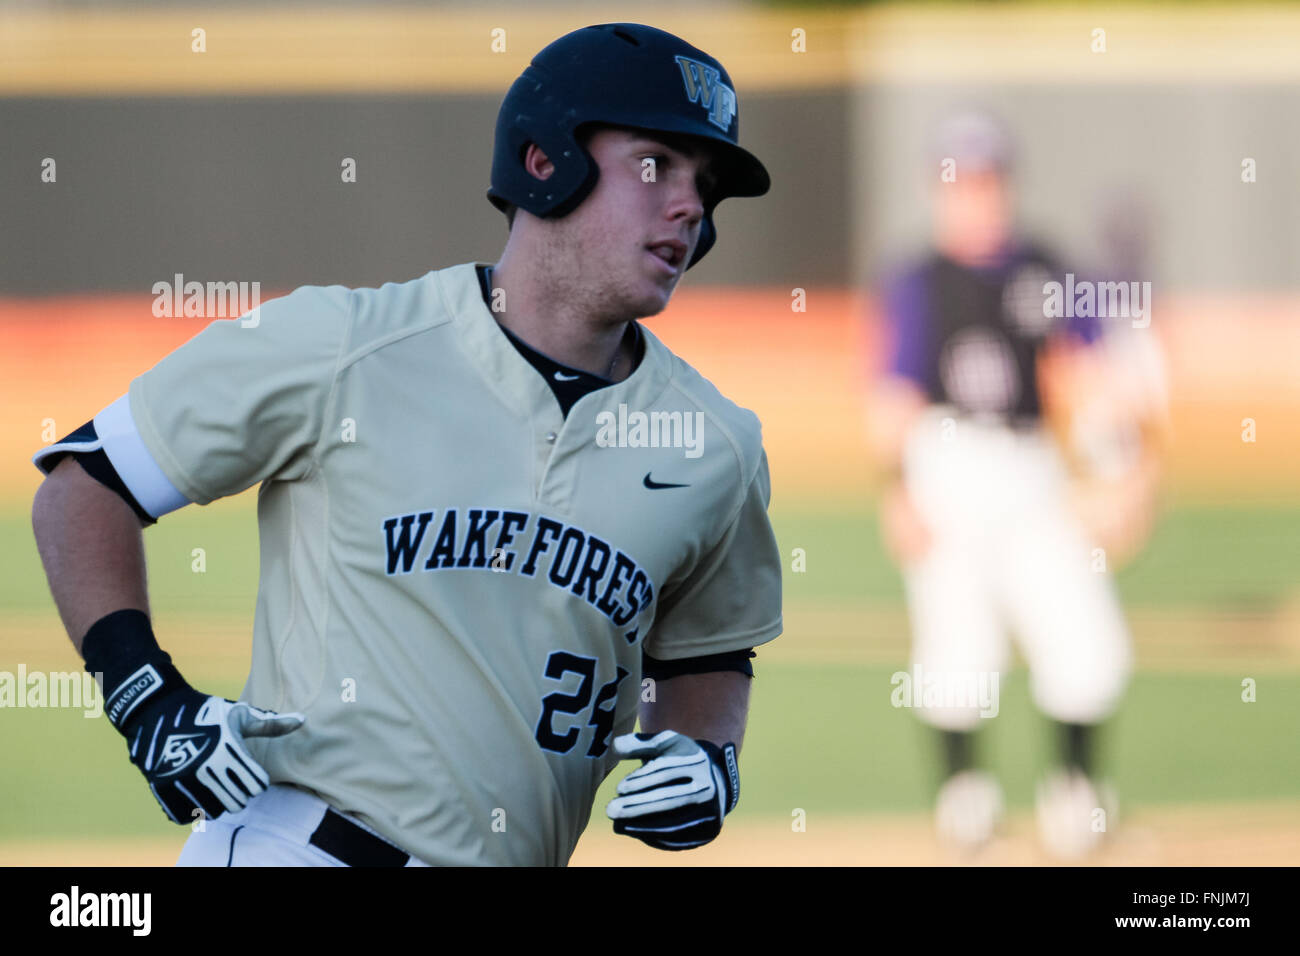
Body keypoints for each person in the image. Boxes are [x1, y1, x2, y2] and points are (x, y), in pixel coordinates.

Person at [30, 22, 782, 867]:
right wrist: (145, 695)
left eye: (705, 185)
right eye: (656, 165)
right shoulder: (343, 345)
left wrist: (709, 760)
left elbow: (708, 653)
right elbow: (85, 481)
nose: (690, 206)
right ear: (546, 163)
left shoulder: (714, 443)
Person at [865, 110, 1162, 859]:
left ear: (1006, 183)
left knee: (1086, 637)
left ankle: (1076, 796)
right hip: (948, 461)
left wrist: (1127, 479)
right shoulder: (917, 279)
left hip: (1032, 466)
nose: (974, 196)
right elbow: (892, 400)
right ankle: (965, 805)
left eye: (986, 179)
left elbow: (1101, 381)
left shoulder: (1046, 265)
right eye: (959, 181)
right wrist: (895, 488)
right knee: (956, 643)